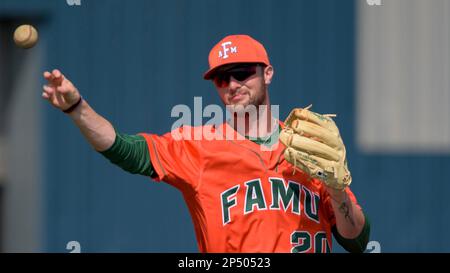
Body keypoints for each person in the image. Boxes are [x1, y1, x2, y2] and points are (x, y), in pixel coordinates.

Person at [42, 34, 370, 253]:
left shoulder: (309, 148)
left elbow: (357, 241)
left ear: (267, 73)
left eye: (242, 72)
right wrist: (77, 108)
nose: (232, 84)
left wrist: (338, 189)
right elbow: (124, 149)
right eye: (221, 78)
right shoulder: (199, 146)